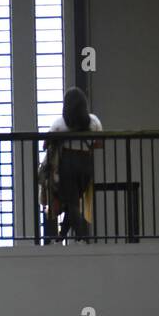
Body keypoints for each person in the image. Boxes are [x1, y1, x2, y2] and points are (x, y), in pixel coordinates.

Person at [46, 87, 103, 242]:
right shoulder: (94, 121)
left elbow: (47, 143)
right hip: (86, 164)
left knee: (72, 203)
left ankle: (85, 239)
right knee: (74, 201)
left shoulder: (60, 123)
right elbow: (99, 144)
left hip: (67, 164)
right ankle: (61, 237)